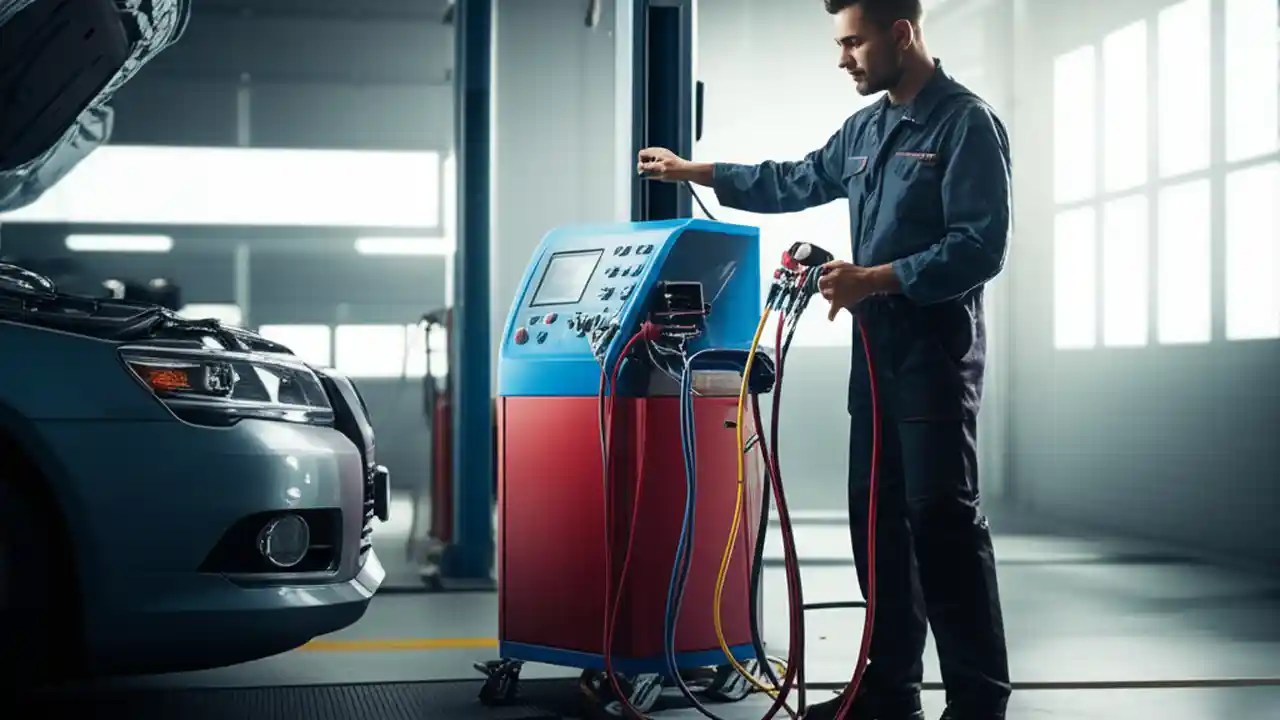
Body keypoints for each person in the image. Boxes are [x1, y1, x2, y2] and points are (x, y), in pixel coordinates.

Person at [636, 0, 1012, 718]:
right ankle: (889, 691)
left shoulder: (965, 124)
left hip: (935, 360)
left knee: (943, 528)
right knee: (878, 525)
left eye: (853, 43)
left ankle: (978, 702)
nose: (843, 59)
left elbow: (980, 246)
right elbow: (795, 178)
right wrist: (696, 170)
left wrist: (876, 279)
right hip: (875, 361)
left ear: (900, 34)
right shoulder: (867, 130)